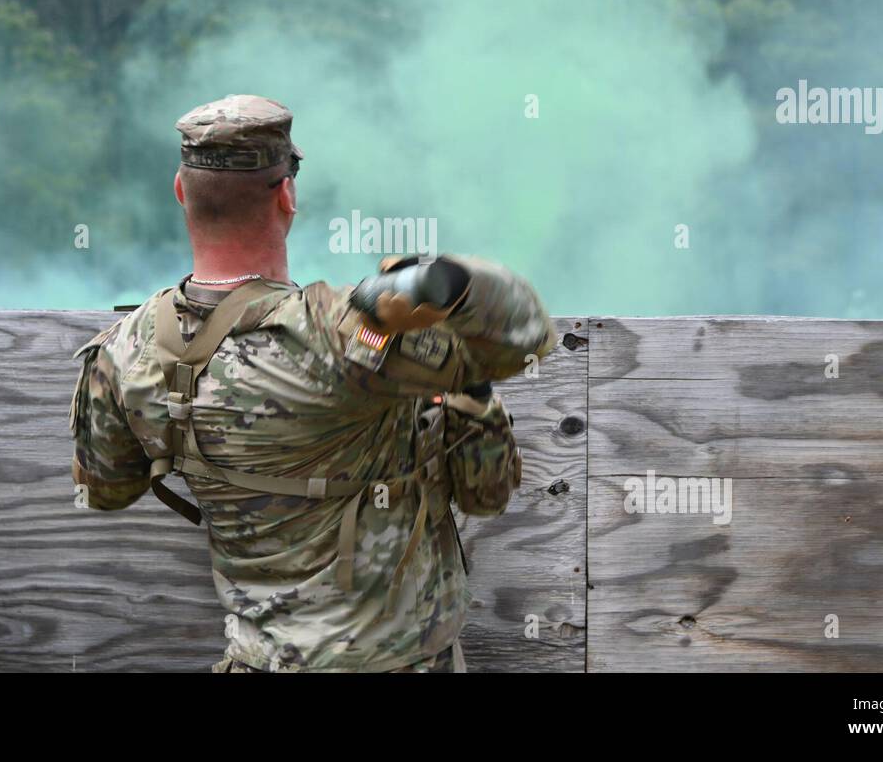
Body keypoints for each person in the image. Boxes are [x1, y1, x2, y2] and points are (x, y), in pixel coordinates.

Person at [69, 94, 555, 672]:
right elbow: (526, 331)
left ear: (181, 190)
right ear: (287, 195)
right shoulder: (339, 335)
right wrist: (434, 280)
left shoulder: (123, 349)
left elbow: (105, 488)